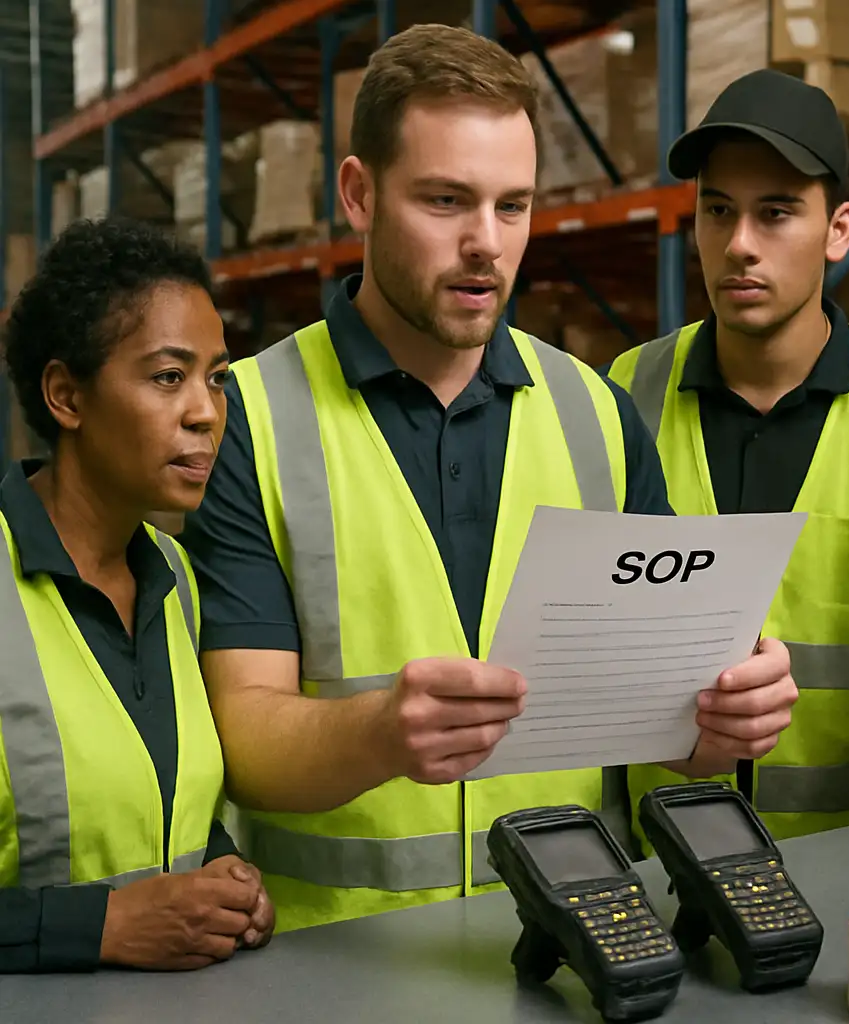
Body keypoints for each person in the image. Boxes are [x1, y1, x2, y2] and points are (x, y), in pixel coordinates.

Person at [177, 24, 800, 933]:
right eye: (445, 201)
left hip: (572, 950)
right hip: (342, 962)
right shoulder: (252, 422)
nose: (486, 243)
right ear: (359, 194)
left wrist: (716, 727)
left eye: (514, 207)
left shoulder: (597, 415)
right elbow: (245, 738)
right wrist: (382, 731)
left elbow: (665, 738)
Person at [605, 69, 849, 843]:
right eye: (718, 212)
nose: (739, 245)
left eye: (776, 213)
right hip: (660, 861)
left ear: (840, 229)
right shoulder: (621, 397)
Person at [0, 218, 274, 972]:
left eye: (216, 378)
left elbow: (166, 809)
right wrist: (102, 926)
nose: (206, 411)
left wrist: (226, 880)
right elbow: (117, 904)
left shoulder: (175, 580)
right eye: (167, 377)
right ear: (66, 396)